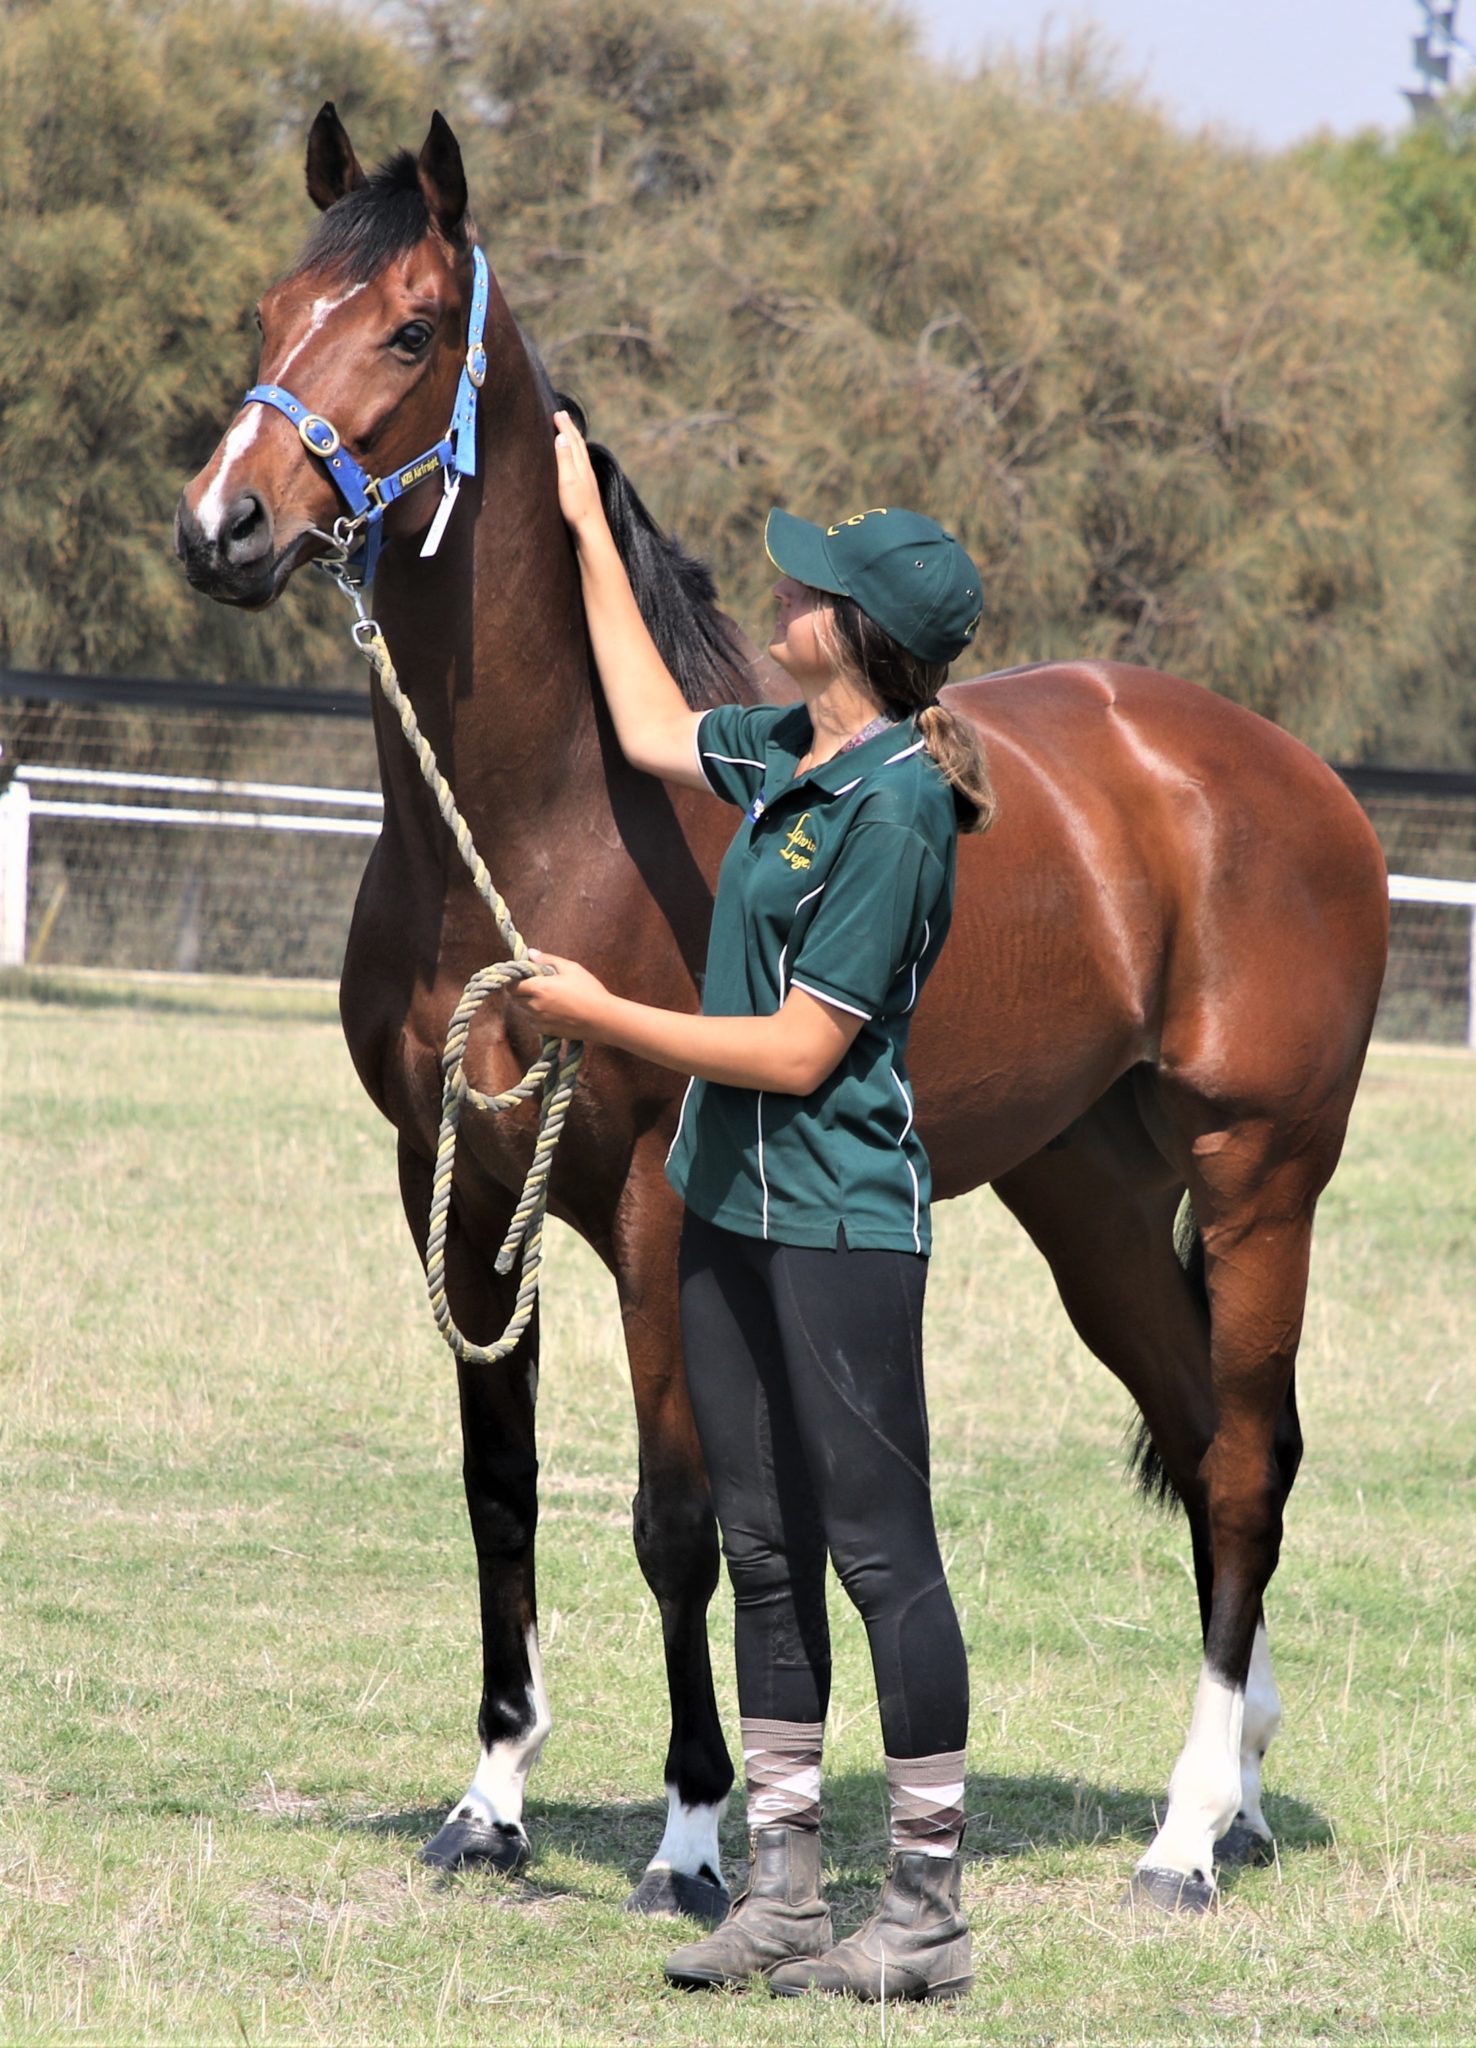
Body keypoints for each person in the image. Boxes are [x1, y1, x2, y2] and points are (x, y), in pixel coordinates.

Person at [508, 411, 995, 2004]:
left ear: (856, 639)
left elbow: (800, 1047)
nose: (783, 599)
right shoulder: (798, 752)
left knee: (880, 1555)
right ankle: (787, 1891)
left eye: (813, 591)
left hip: (843, 1223)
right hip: (725, 1207)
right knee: (765, 1551)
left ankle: (921, 1912)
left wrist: (603, 1014)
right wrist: (586, 525)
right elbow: (653, 727)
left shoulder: (900, 808)